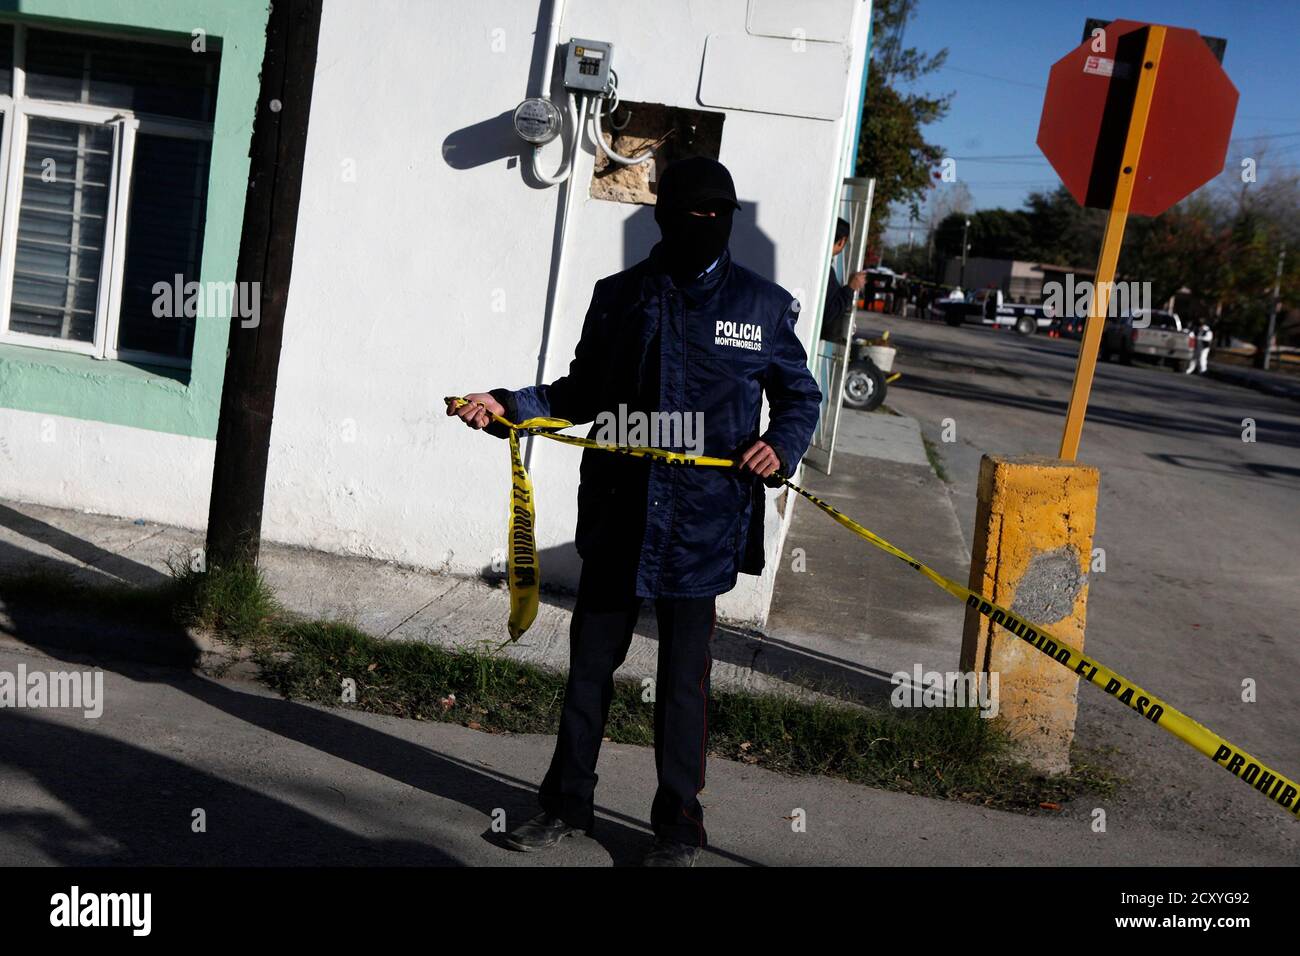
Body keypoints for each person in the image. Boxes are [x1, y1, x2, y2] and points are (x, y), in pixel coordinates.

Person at [448, 156, 822, 867]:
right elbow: (579, 393)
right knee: (589, 671)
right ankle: (565, 807)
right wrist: (507, 406)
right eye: (692, 212)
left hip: (702, 529)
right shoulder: (618, 297)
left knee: (683, 686)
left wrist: (781, 444)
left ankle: (678, 830)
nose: (705, 224)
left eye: (718, 215)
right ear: (662, 215)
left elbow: (800, 396)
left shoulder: (763, 306)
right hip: (620, 517)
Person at [820, 217, 866, 343]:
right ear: (842, 241)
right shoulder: (825, 272)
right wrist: (850, 288)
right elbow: (830, 313)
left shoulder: (821, 266)